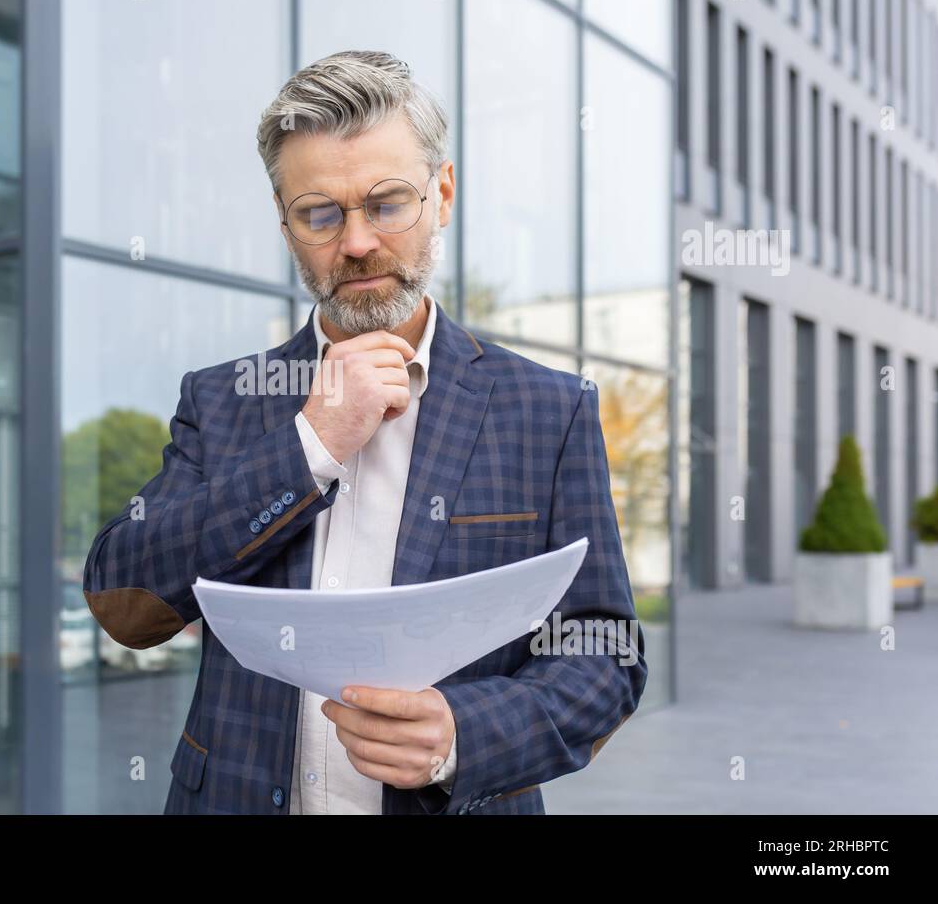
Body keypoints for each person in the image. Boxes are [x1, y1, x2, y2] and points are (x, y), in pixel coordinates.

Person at [83, 50, 647, 815]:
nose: (355, 243)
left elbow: (604, 654)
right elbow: (125, 603)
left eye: (386, 203)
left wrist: (461, 734)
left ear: (441, 194)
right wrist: (311, 443)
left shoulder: (549, 411)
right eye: (321, 212)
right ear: (286, 225)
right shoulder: (221, 401)